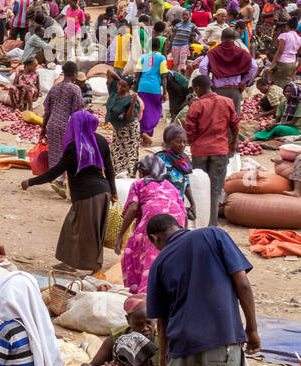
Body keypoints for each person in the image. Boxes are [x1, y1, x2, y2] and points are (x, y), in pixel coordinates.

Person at [146, 213, 258, 366]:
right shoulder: (214, 234)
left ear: (155, 239)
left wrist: (165, 364)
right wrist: (252, 329)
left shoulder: (159, 263)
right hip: (222, 344)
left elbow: (161, 323)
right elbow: (243, 283)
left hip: (180, 349)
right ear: (180, 226)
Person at [23, 110, 116, 277]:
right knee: (74, 228)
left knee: (90, 233)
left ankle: (96, 269)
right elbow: (109, 168)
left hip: (88, 195)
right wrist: (113, 192)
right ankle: (69, 263)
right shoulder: (100, 141)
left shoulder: (75, 147)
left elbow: (55, 172)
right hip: (102, 192)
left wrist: (30, 182)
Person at [116, 155, 187, 294]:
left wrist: (120, 236)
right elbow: (183, 211)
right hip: (175, 224)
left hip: (153, 222)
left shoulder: (140, 183)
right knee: (168, 258)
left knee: (137, 254)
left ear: (141, 172)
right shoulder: (171, 186)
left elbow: (133, 208)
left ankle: (142, 295)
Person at [183, 73, 238, 227]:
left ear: (198, 88)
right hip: (220, 150)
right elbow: (234, 125)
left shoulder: (196, 105)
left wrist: (192, 142)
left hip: (200, 151)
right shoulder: (227, 102)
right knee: (215, 189)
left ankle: (199, 223)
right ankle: (212, 224)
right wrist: (232, 144)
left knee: (200, 188)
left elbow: (190, 130)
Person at [80, 294, 160, 366]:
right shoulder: (117, 337)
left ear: (156, 319)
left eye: (149, 323)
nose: (145, 328)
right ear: (128, 320)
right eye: (138, 325)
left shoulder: (162, 342)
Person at [41, 61, 86, 165]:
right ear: (74, 74)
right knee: (66, 153)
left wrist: (43, 128)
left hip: (52, 125)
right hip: (66, 126)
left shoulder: (54, 88)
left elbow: (47, 111)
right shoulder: (75, 89)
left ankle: (54, 177)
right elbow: (78, 110)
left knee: (53, 153)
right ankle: (62, 178)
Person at [104, 69, 142, 176]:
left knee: (130, 153)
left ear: (129, 88)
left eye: (124, 86)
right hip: (118, 129)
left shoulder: (130, 99)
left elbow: (128, 118)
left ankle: (130, 177)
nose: (120, 87)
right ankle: (117, 176)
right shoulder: (113, 90)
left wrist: (133, 103)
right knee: (116, 152)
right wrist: (122, 80)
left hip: (130, 129)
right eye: (120, 85)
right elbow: (109, 72)